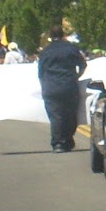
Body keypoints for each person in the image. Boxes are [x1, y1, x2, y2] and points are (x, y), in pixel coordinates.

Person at [37, 25, 87, 153]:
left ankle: (58, 143)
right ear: (63, 34)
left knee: (56, 116)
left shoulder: (45, 51)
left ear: (50, 36)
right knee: (70, 114)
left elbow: (40, 72)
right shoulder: (71, 48)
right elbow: (83, 65)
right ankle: (67, 139)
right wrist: (76, 76)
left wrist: (44, 84)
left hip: (51, 86)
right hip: (69, 85)